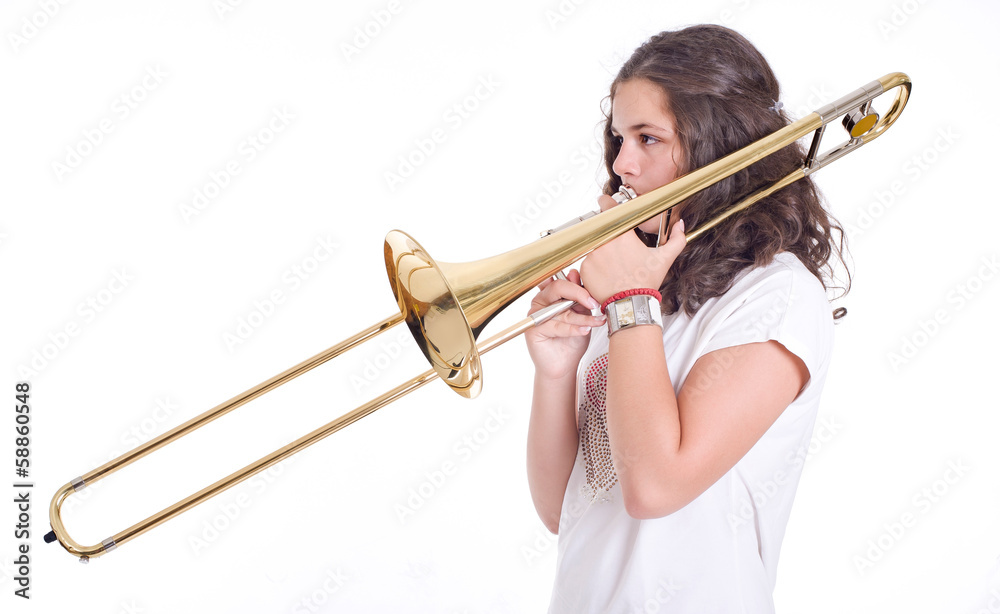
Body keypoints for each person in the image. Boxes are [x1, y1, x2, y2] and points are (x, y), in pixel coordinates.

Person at [524, 24, 848, 613]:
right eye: (618, 138)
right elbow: (560, 509)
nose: (622, 164)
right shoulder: (643, 293)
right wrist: (554, 374)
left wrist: (629, 299)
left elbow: (654, 486)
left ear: (716, 146)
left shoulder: (777, 296)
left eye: (648, 138)